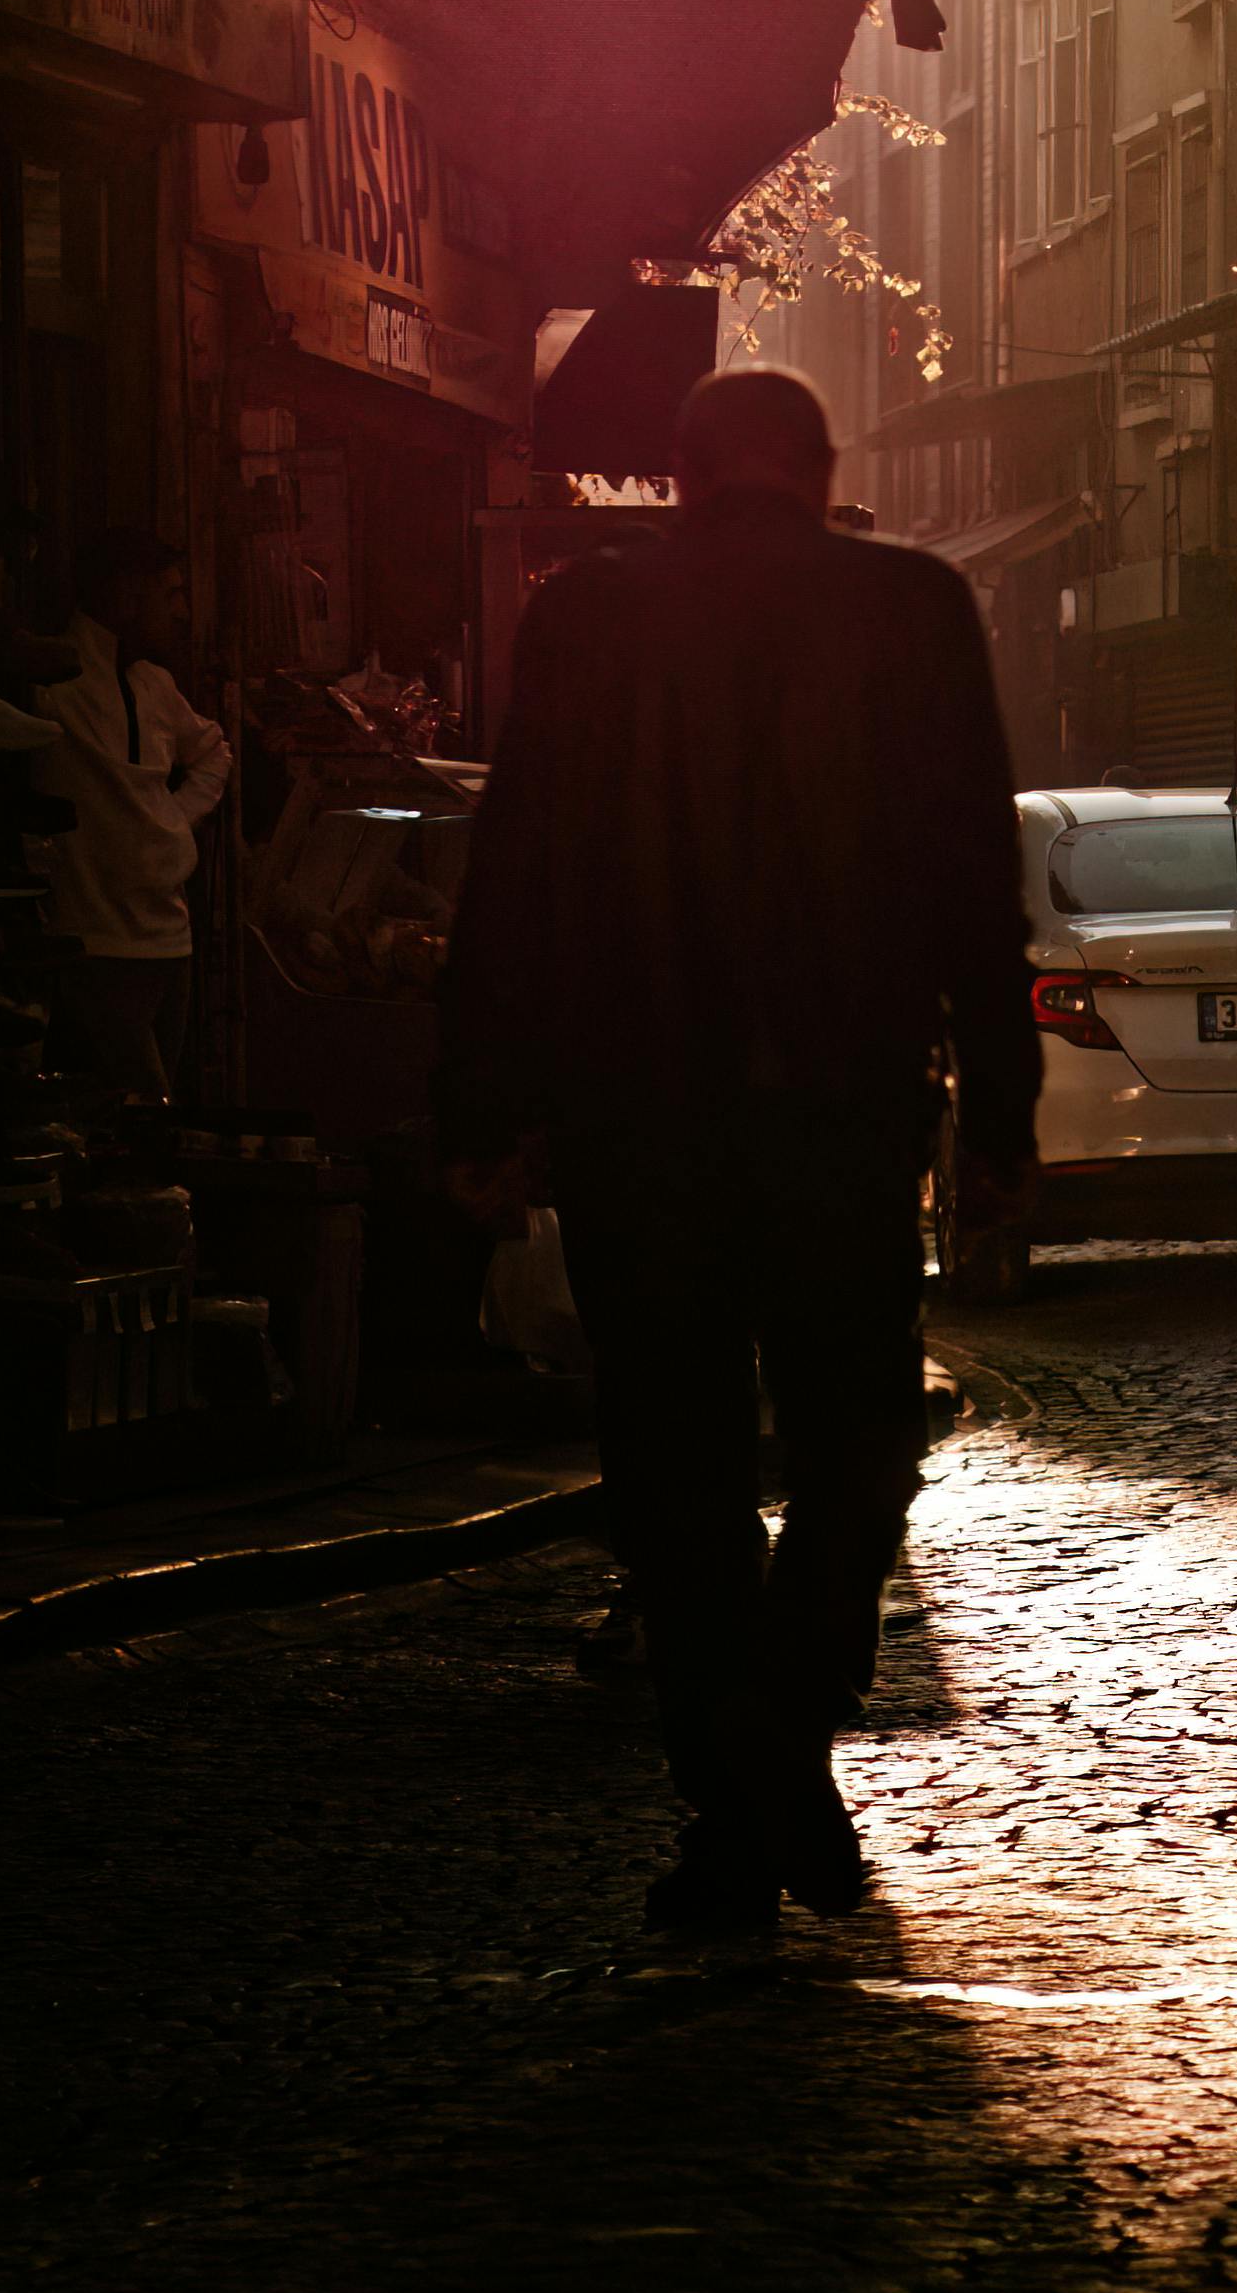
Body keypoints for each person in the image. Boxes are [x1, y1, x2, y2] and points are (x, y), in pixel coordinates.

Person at [437, 363, 1036, 1940]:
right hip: (840, 1106)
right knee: (855, 1438)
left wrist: (481, 1104)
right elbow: (978, 867)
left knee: (675, 1464)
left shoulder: (586, 615)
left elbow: (513, 868)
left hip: (640, 1116)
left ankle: (734, 1785)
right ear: (823, 472)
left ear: (685, 474)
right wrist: (1003, 1109)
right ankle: (783, 1740)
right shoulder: (912, 607)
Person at [36, 528, 233, 1102]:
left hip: (171, 938)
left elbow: (213, 751)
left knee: (151, 1106)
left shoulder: (155, 685)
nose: (182, 612)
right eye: (169, 593)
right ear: (126, 593)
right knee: (138, 1111)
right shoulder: (56, 684)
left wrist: (176, 815)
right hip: (95, 941)